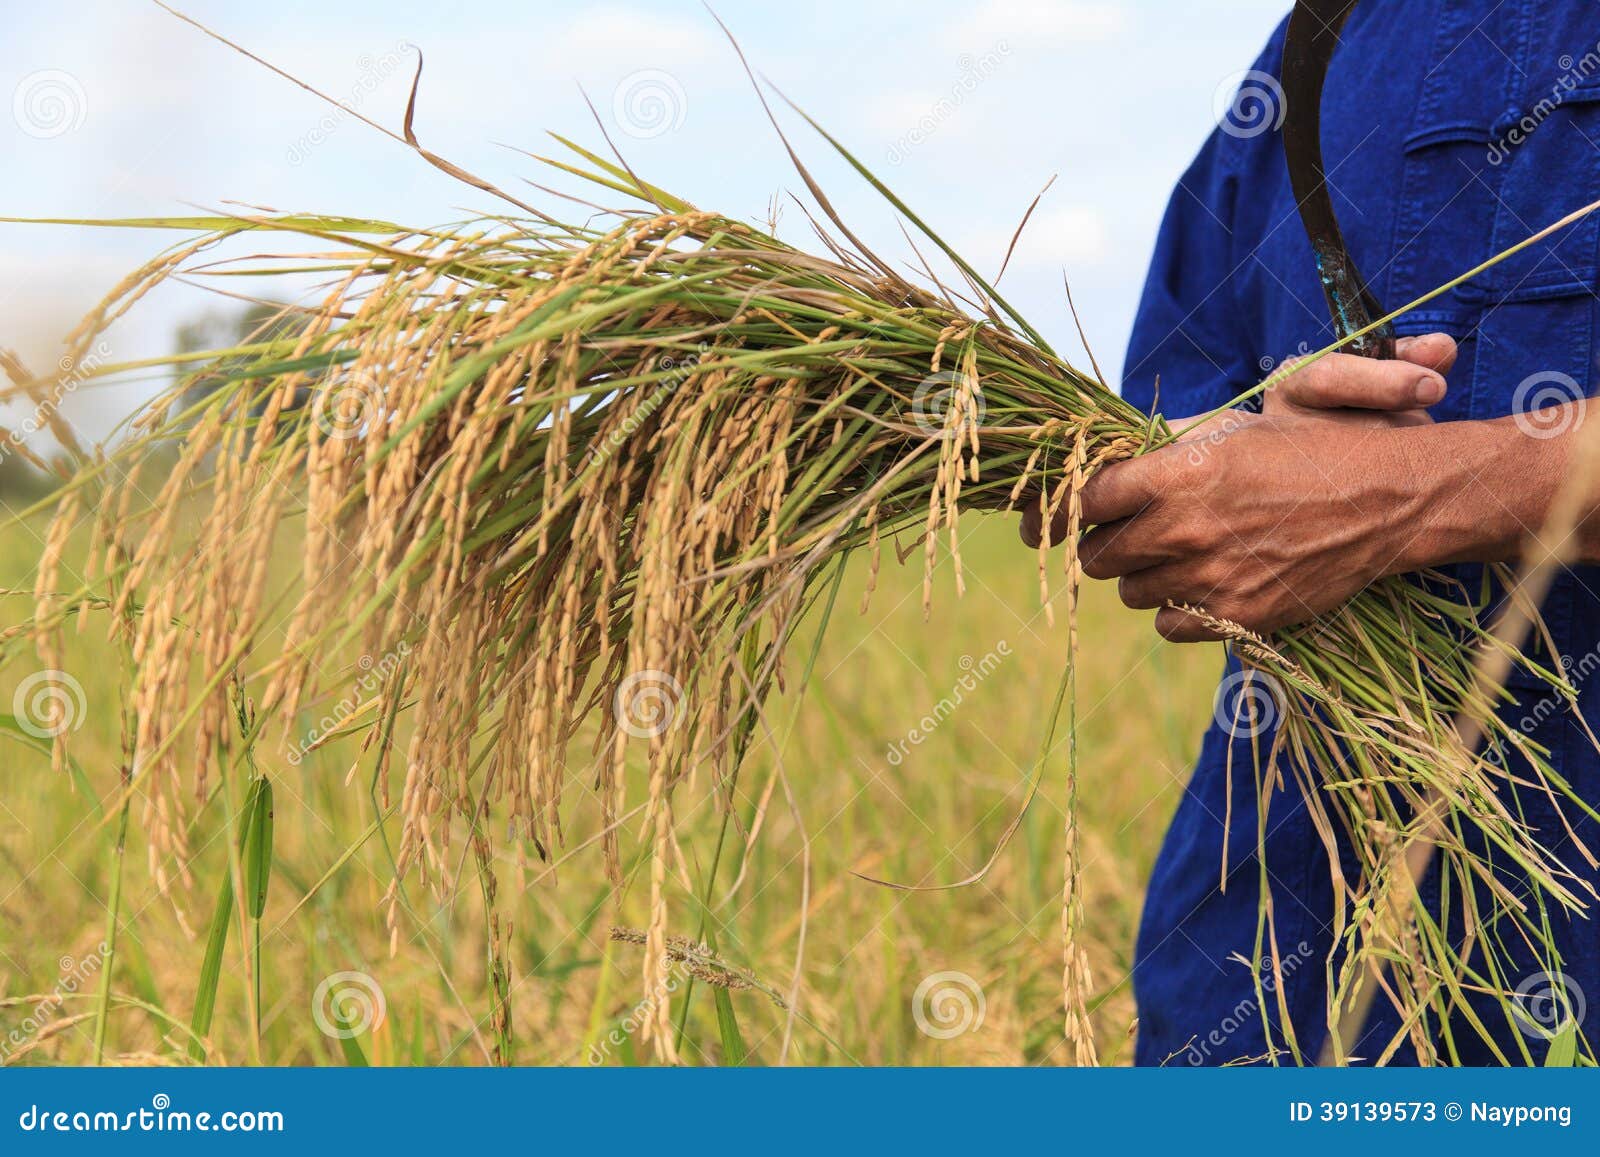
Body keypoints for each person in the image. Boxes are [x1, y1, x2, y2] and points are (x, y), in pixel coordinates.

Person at [1023, 2, 1600, 1064]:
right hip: (1288, 903)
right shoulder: (1319, 40)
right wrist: (1196, 475)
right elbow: (1177, 413)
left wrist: (1410, 493)